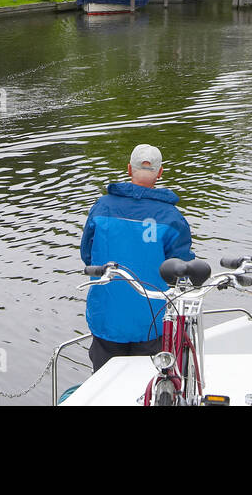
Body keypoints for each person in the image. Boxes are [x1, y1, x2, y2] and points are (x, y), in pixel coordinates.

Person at [80, 144, 194, 372]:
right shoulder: (172, 218)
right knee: (147, 385)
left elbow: (87, 256)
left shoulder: (102, 208)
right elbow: (182, 270)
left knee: (106, 384)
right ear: (160, 173)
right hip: (152, 322)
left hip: (107, 318)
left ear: (129, 170)